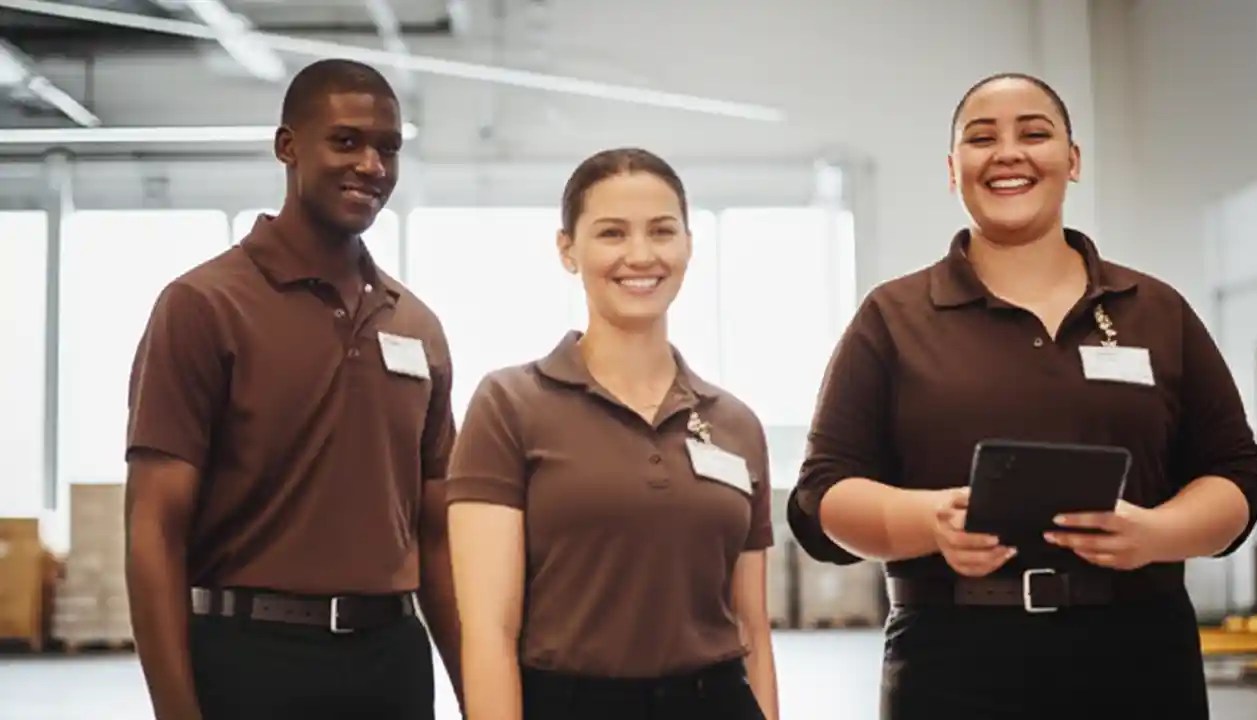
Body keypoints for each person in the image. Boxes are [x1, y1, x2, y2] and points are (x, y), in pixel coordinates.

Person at [787, 72, 1257, 719]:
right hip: (952, 664)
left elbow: (1235, 479)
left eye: (1034, 133)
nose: (1008, 152)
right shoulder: (893, 318)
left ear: (1072, 161)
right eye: (982, 138)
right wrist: (925, 523)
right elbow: (822, 496)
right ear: (954, 170)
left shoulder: (1155, 311)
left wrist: (1156, 533)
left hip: (1138, 657)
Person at [124, 59, 462, 720]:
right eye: (346, 141)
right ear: (288, 147)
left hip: (392, 661)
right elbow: (154, 528)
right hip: (249, 660)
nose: (372, 165)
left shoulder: (418, 327)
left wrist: (481, 696)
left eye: (388, 148)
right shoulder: (203, 306)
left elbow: (439, 536)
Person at [446, 148, 780, 720]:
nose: (640, 255)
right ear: (567, 250)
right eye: (611, 233)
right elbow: (489, 633)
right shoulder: (509, 405)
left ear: (688, 246)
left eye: (661, 231)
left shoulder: (735, 424)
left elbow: (751, 627)